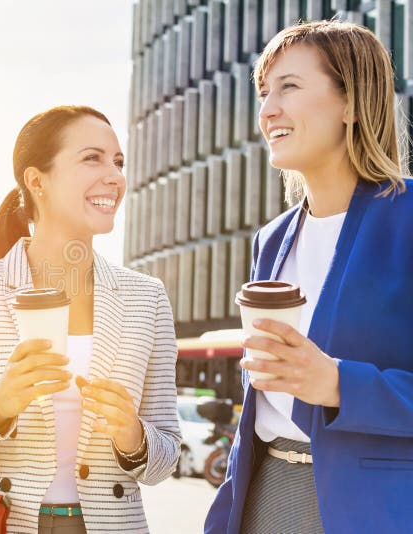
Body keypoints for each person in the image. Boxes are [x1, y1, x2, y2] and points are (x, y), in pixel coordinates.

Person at [0, 105, 181, 533]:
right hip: (2, 523)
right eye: (92, 158)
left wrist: (134, 437)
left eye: (118, 162)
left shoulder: (146, 297)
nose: (114, 176)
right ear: (37, 180)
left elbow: (166, 456)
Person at [205, 20, 413, 534]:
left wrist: (340, 384)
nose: (267, 109)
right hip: (264, 498)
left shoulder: (407, 220)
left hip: (375, 509)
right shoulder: (271, 240)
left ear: (351, 102)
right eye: (263, 92)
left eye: (289, 87)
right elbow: (261, 403)